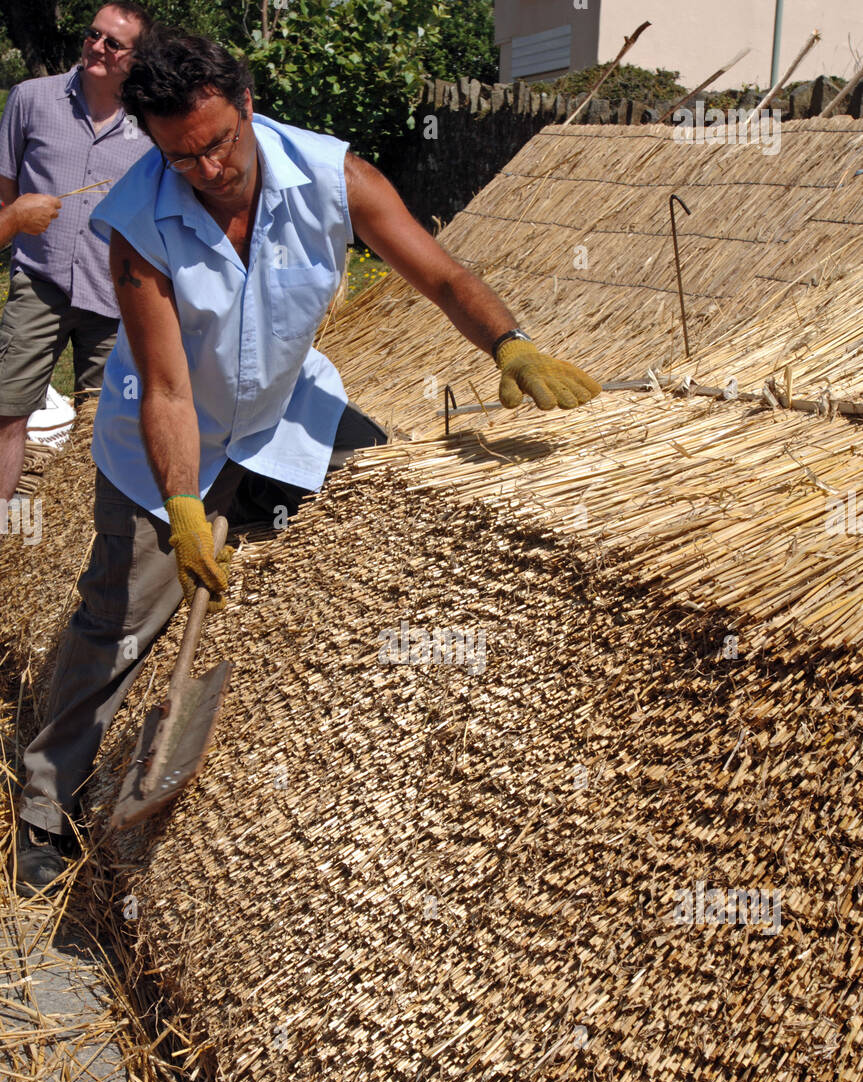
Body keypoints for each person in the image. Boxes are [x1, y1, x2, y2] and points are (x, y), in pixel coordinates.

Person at [14, 28, 601, 896]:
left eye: (219, 143)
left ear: (247, 106)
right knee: (121, 618)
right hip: (165, 440)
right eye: (183, 157)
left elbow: (440, 277)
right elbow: (169, 392)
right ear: (154, 145)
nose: (209, 169)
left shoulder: (336, 179)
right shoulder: (137, 225)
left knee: (394, 501)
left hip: (288, 409)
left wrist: (508, 344)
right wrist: (180, 508)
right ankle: (43, 809)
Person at [0, 3, 152, 502]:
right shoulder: (31, 99)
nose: (97, 47)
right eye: (94, 35)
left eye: (113, 43)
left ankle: (82, 546)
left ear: (137, 58)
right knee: (7, 411)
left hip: (114, 297)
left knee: (109, 425)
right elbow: (3, 200)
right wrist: (17, 216)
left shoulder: (151, 125)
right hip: (38, 285)